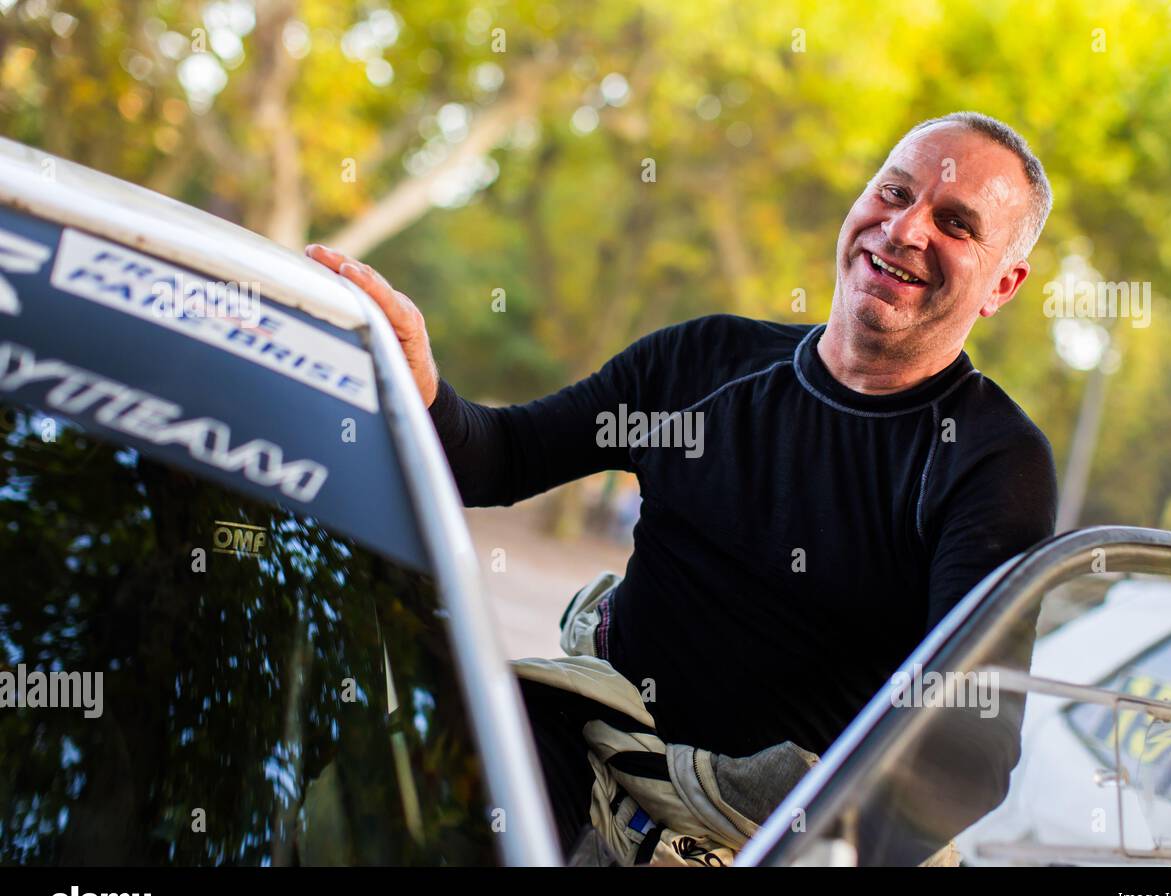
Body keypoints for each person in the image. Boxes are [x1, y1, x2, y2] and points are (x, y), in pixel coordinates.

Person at [306, 111, 1060, 858]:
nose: (904, 230)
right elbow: (497, 459)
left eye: (956, 224)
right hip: (590, 759)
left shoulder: (991, 461)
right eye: (894, 193)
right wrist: (420, 382)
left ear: (1003, 285)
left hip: (774, 837)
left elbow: (970, 751)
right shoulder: (703, 361)